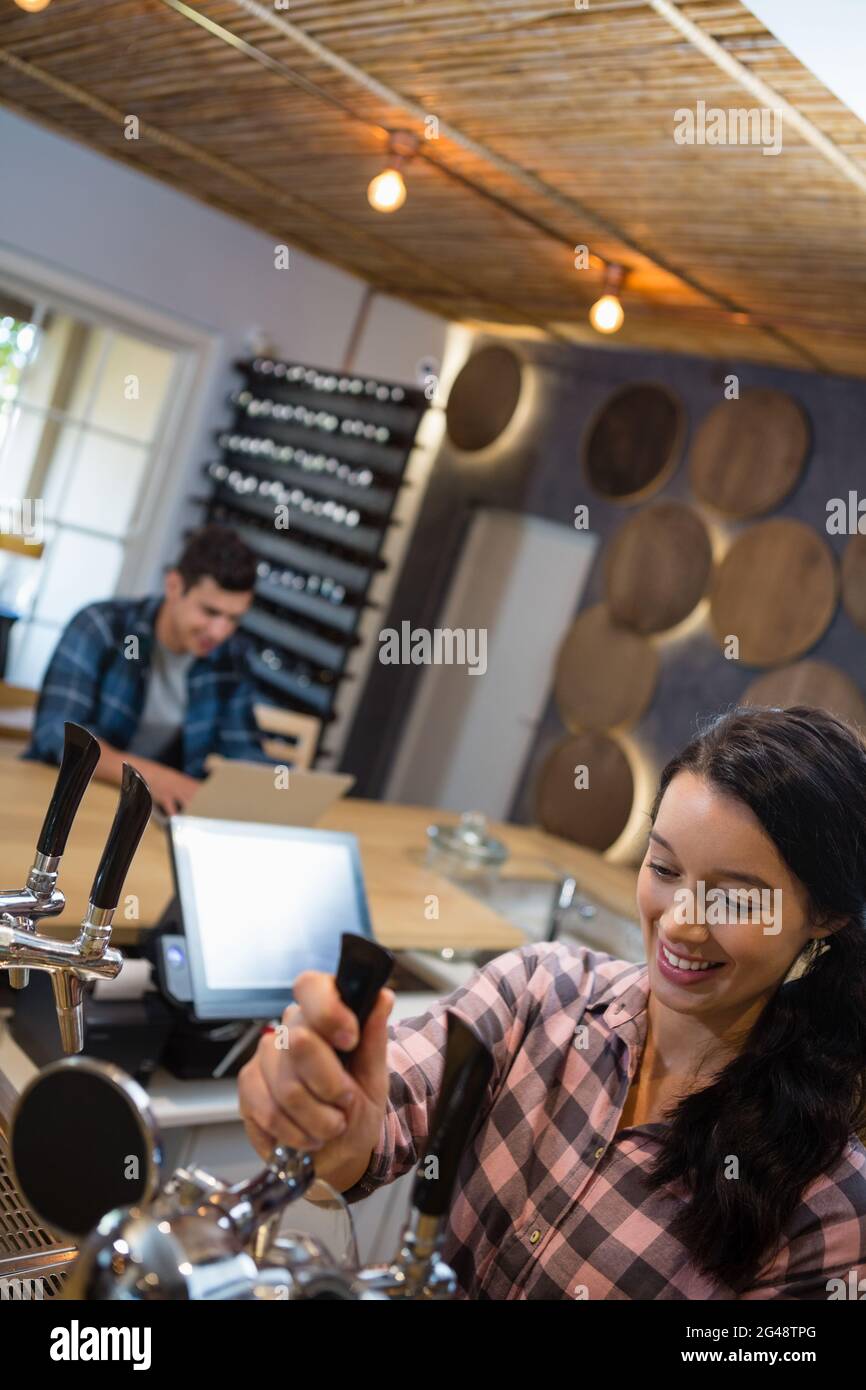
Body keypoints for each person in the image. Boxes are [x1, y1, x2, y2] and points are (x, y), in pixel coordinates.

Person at [238, 705, 866, 1299]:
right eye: (665, 869)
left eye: (733, 899)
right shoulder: (542, 993)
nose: (680, 925)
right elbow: (373, 1123)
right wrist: (320, 1112)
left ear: (826, 915)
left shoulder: (831, 1204)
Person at [26, 524, 270, 813]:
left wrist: (280, 783)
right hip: (63, 799)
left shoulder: (231, 656)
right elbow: (58, 736)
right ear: (174, 586)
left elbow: (241, 750)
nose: (219, 632)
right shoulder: (102, 626)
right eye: (210, 612)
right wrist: (155, 778)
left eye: (233, 618)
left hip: (151, 815)